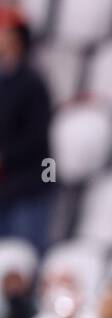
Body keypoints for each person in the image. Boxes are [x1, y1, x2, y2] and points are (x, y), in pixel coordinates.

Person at [0, 9, 54, 254]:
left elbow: (37, 137)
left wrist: (5, 156)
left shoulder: (32, 83)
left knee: (24, 257)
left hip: (27, 188)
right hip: (6, 187)